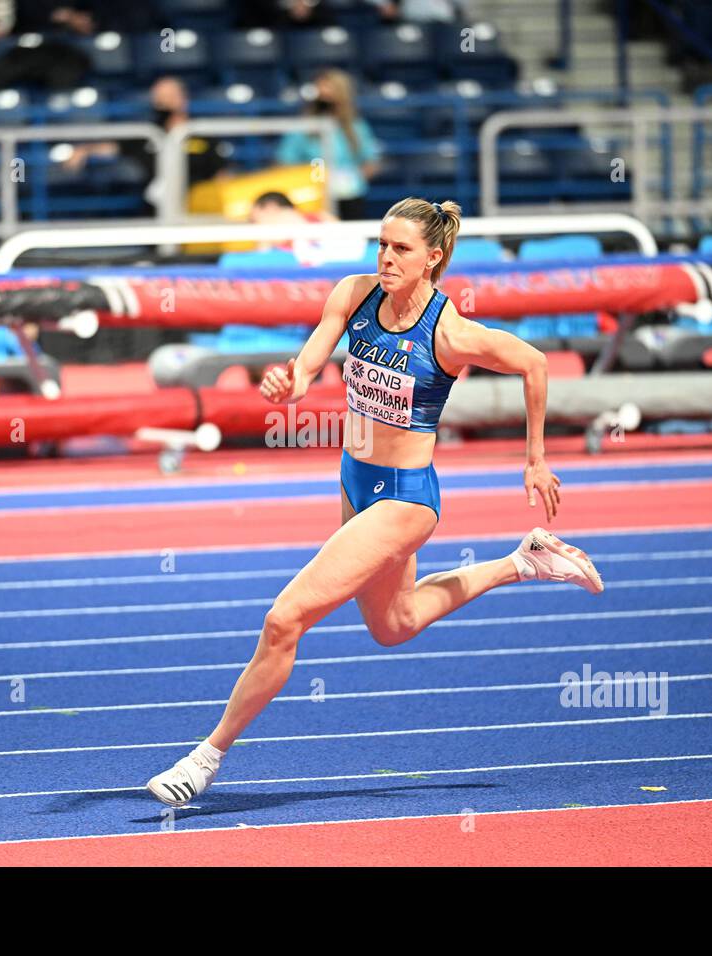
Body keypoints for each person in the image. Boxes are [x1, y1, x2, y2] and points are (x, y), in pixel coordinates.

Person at [145, 198, 604, 808]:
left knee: (285, 619)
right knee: (394, 624)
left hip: (406, 500)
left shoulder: (450, 331)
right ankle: (524, 561)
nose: (386, 257)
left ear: (433, 259)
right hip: (354, 479)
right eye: (381, 244)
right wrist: (290, 383)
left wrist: (536, 458)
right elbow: (307, 367)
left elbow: (535, 362)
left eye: (401, 249)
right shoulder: (354, 294)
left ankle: (206, 757)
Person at [62, 76, 232, 213]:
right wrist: (84, 150)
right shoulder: (148, 133)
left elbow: (220, 173)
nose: (164, 102)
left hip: (196, 204)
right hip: (157, 206)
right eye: (159, 98)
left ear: (183, 98)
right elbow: (113, 147)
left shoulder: (202, 133)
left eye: (169, 96)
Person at [276, 69, 381, 221]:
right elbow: (285, 161)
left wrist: (354, 179)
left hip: (349, 195)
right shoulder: (303, 127)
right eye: (321, 89)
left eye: (330, 89)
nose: (325, 95)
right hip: (314, 196)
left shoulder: (356, 126)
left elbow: (370, 161)